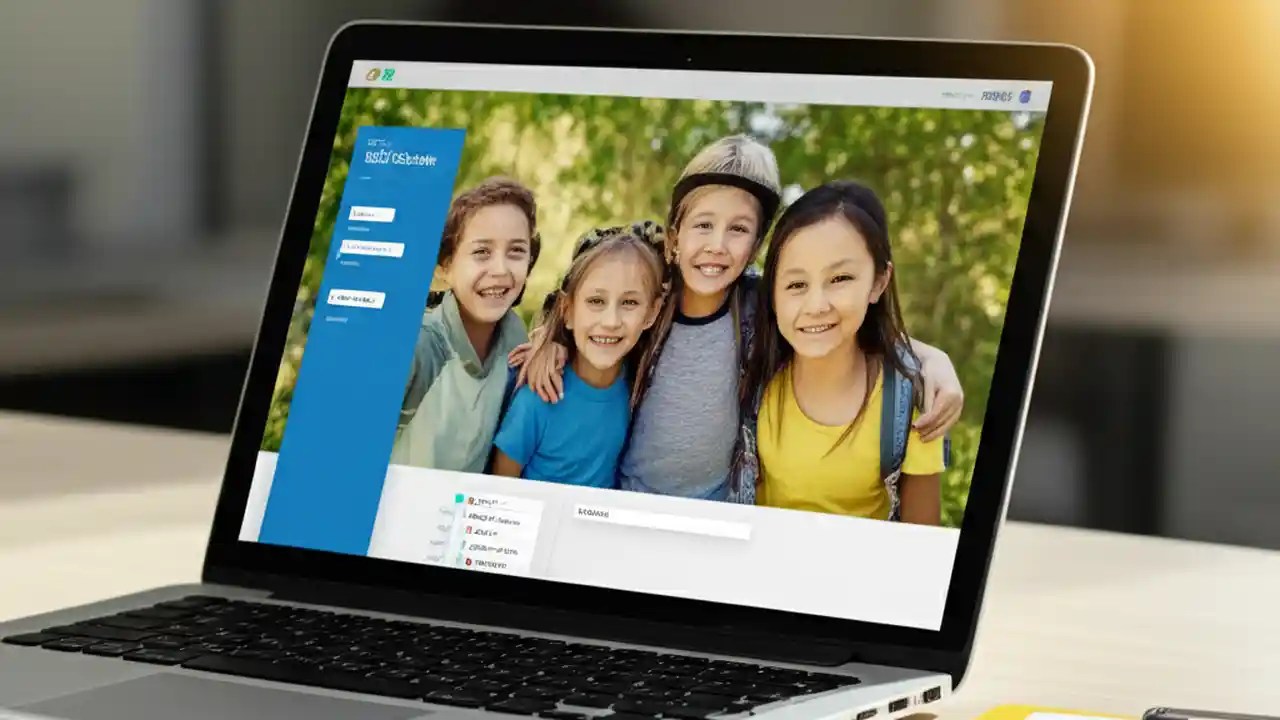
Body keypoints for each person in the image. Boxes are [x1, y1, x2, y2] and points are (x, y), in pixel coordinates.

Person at [515, 135, 963, 502]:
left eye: (738, 230)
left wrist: (930, 357)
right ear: (674, 235)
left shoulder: (759, 309)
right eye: (703, 225)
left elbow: (842, 321)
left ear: (757, 247)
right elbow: (581, 292)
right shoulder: (647, 290)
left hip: (719, 508)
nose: (717, 245)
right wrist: (553, 336)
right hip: (629, 497)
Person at [736, 180, 942, 524]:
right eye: (796, 285)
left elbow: (921, 547)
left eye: (841, 278)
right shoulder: (752, 372)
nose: (816, 305)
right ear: (772, 293)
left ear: (878, 282)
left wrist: (932, 360)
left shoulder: (913, 400)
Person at [390, 177, 540, 473]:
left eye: (516, 251)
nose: (500, 269)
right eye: (482, 252)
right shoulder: (418, 346)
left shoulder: (514, 337)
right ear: (444, 268)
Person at [492, 230, 664, 487]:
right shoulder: (537, 399)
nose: (611, 321)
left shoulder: (638, 385)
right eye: (596, 301)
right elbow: (497, 490)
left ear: (652, 313)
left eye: (629, 302)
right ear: (568, 310)